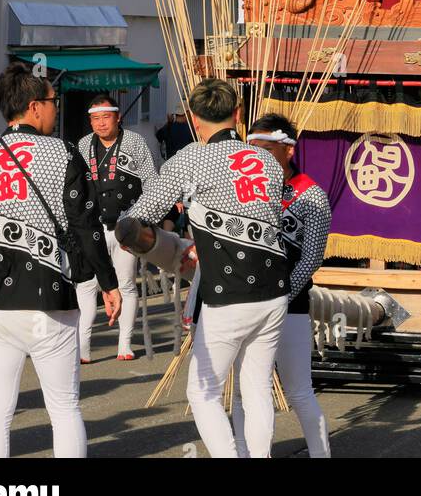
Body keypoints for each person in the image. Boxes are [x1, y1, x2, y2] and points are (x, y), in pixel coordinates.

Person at [0, 63, 121, 458]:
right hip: (52, 302)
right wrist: (108, 284)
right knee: (63, 408)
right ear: (33, 106)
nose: (56, 108)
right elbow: (86, 226)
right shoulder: (63, 153)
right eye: (51, 101)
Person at [123, 78, 289, 458]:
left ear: (195, 120)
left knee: (202, 392)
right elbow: (262, 216)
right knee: (258, 387)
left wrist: (125, 231)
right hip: (274, 290)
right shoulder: (265, 160)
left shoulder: (190, 158)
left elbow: (144, 214)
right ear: (237, 115)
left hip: (228, 293)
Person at [231, 114, 332, 458]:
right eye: (251, 148)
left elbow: (312, 257)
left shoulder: (312, 195)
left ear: (289, 150)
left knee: (298, 390)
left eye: (265, 148)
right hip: (245, 302)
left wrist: (282, 295)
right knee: (246, 391)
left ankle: (321, 453)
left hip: (289, 303)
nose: (256, 156)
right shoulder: (242, 192)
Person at [76, 95, 160, 363]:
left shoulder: (135, 142)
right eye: (95, 118)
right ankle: (83, 348)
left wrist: (142, 223)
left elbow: (150, 181)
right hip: (92, 228)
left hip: (125, 225)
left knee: (125, 284)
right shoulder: (83, 145)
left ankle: (125, 344)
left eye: (106, 117)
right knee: (88, 285)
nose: (100, 124)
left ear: (118, 117)